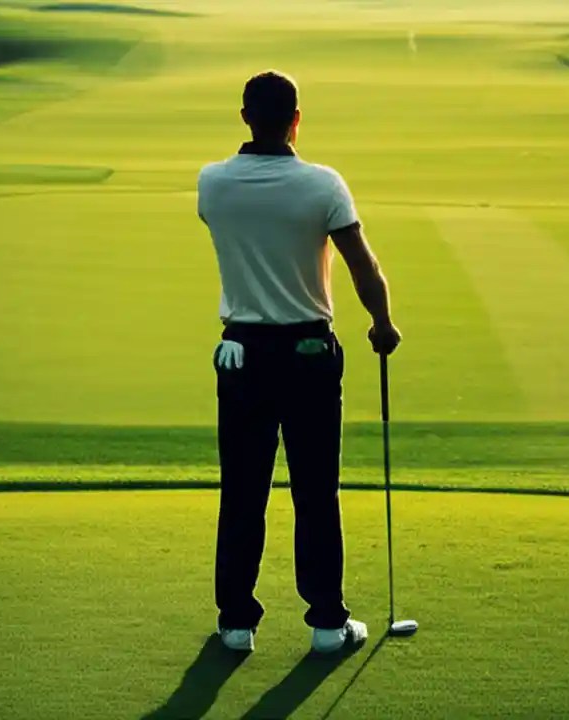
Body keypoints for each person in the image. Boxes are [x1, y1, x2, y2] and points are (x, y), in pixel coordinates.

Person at [196, 70, 402, 654]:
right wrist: (382, 324)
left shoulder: (212, 183)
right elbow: (364, 267)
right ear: (297, 118)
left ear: (243, 117)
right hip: (310, 355)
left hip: (240, 354)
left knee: (243, 492)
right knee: (315, 491)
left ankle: (236, 624)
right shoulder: (324, 185)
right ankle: (328, 626)